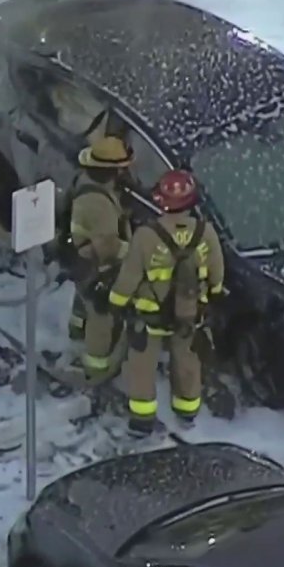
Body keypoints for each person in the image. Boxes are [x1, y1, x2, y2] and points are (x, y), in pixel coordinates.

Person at [107, 170, 225, 435]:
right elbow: (217, 274)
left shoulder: (146, 236)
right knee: (187, 362)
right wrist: (211, 297)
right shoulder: (206, 233)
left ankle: (142, 420)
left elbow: (129, 277)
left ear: (161, 201)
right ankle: (187, 411)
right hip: (189, 315)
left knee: (142, 366)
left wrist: (115, 303)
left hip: (150, 317)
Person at [65, 135, 136, 383]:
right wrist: (135, 252)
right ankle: (96, 369)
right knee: (101, 314)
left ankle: (76, 328)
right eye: (121, 168)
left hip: (80, 258)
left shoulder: (88, 183)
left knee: (84, 296)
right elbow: (108, 246)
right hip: (96, 263)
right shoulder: (97, 203)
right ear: (111, 171)